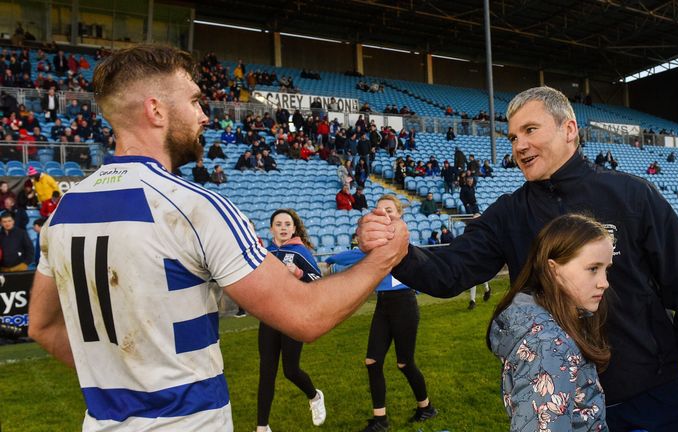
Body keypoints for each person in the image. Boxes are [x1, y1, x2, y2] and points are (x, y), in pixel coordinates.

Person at [27, 44, 409, 432]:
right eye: (194, 101)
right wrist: (384, 257)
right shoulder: (193, 207)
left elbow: (40, 326)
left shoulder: (64, 210)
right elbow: (306, 316)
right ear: (156, 110)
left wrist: (127, 375)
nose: (204, 116)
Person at [358, 86, 678, 432]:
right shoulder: (509, 214)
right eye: (514, 137)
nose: (519, 145)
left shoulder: (632, 195)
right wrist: (399, 252)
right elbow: (449, 272)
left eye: (530, 130)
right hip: (561, 406)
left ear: (569, 129)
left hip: (652, 395)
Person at [488, 214, 612, 431]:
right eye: (593, 269)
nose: (604, 283)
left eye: (606, 269)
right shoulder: (549, 346)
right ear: (553, 269)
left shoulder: (556, 321)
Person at [327, 195, 437, 432]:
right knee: (372, 361)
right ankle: (380, 420)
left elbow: (359, 256)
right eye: (379, 210)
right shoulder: (374, 245)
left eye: (389, 210)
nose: (383, 214)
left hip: (404, 305)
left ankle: (426, 407)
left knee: (404, 363)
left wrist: (332, 257)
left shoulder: (402, 244)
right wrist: (330, 258)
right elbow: (358, 255)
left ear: (399, 215)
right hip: (383, 305)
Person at [256, 209, 327, 432]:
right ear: (271, 229)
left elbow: (318, 281)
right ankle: (262, 427)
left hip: (292, 317)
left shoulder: (300, 252)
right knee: (266, 372)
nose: (283, 227)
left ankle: (315, 396)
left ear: (294, 228)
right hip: (269, 318)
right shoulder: (265, 253)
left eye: (287, 224)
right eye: (279, 224)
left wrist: (297, 272)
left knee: (290, 370)